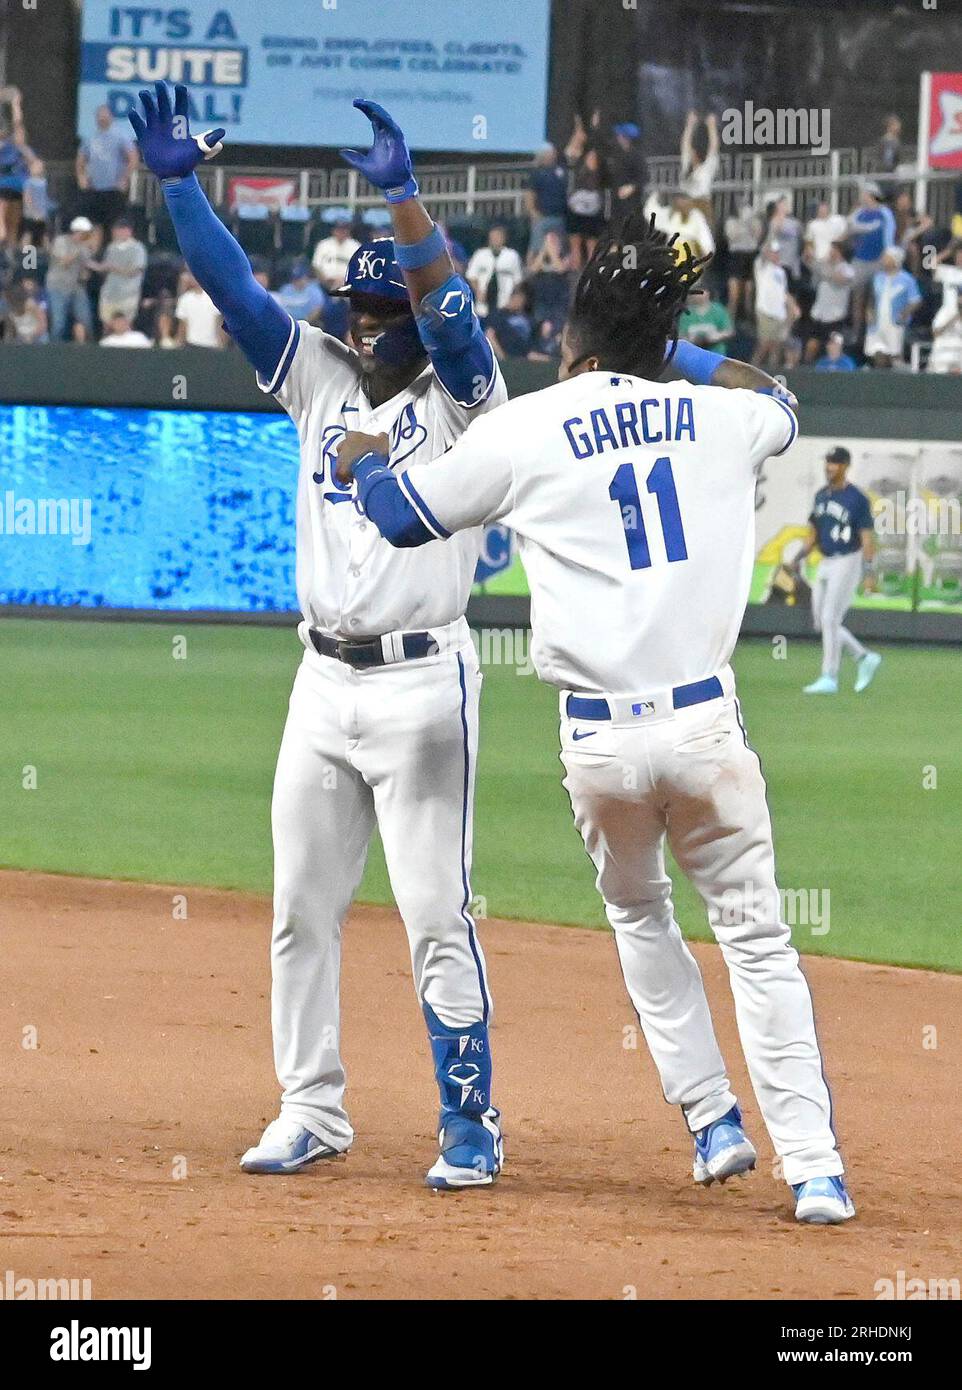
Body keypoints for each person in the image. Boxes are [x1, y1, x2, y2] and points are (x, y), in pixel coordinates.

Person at [336, 213, 856, 1227]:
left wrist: (359, 460)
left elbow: (400, 515)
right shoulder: (717, 415)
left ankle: (710, 1118)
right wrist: (675, 350)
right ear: (660, 344)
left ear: (572, 342)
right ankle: (817, 1170)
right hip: (708, 731)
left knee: (637, 911)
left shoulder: (527, 425)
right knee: (756, 943)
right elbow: (776, 395)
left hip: (601, 745)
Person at [129, 82, 508, 1188]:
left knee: (435, 912)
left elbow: (452, 318)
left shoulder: (464, 398)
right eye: (355, 307)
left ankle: (469, 1122)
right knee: (300, 911)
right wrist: (179, 187)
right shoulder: (317, 377)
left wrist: (404, 200)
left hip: (422, 682)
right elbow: (235, 289)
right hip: (321, 682)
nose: (362, 323)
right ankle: (310, 1107)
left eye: (380, 312)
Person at [792, 446, 881, 695]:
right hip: (826, 560)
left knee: (831, 618)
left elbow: (866, 538)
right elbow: (813, 535)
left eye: (835, 463)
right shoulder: (821, 496)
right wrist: (797, 558)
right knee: (822, 622)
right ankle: (863, 656)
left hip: (847, 560)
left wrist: (870, 571)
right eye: (828, 462)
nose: (829, 467)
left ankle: (829, 677)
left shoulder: (857, 499)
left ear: (845, 466)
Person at [76, 103, 137, 240]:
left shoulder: (121, 136)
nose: (102, 118)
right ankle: (96, 255)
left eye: (104, 115)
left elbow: (133, 158)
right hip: (95, 188)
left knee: (115, 222)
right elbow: (80, 160)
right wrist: (81, 177)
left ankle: (115, 252)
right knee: (95, 223)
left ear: (111, 116)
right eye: (99, 115)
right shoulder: (90, 138)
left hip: (114, 189)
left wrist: (124, 178)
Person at [846, 182, 896, 335]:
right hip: (861, 260)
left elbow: (889, 234)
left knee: (874, 298)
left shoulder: (884, 213)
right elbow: (850, 227)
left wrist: (887, 252)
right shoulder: (859, 213)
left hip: (877, 261)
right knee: (857, 297)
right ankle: (856, 331)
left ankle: (873, 331)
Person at [864, 246, 921, 368]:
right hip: (877, 323)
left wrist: (905, 313)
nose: (883, 260)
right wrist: (869, 311)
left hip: (895, 323)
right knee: (877, 352)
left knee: (894, 354)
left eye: (886, 257)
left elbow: (916, 300)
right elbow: (872, 297)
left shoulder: (907, 279)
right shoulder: (877, 278)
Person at [564, 112, 607, 269]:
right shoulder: (574, 159)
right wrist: (578, 128)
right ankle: (577, 272)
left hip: (590, 204)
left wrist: (594, 129)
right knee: (576, 243)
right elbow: (574, 145)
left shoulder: (593, 158)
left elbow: (595, 147)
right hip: (577, 204)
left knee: (590, 243)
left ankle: (591, 272)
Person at [89, 217, 147, 331]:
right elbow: (105, 268)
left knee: (126, 327)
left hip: (128, 295)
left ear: (128, 231)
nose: (118, 232)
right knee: (107, 326)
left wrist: (113, 268)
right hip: (109, 294)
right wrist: (93, 265)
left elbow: (135, 271)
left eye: (121, 229)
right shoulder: (111, 247)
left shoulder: (137, 248)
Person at [45, 215, 95, 342]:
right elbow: (63, 262)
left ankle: (86, 348)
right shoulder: (61, 241)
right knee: (59, 323)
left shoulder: (84, 247)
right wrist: (79, 249)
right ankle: (54, 351)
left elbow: (87, 267)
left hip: (75, 286)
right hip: (57, 286)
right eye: (85, 233)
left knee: (85, 319)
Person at [753, 241, 800, 372]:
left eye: (777, 252)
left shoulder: (781, 272)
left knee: (776, 347)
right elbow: (762, 254)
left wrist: (792, 306)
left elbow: (782, 292)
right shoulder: (761, 266)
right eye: (773, 252)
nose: (775, 255)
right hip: (765, 311)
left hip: (779, 313)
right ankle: (752, 372)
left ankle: (772, 375)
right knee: (764, 344)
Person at [803, 241, 854, 362]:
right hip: (819, 314)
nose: (830, 253)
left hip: (835, 317)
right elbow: (808, 261)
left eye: (833, 250)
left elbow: (840, 279)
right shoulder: (824, 266)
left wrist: (825, 270)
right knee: (812, 345)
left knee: (834, 348)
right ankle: (806, 368)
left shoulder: (847, 269)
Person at [465, 223, 524, 319]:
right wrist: (478, 291)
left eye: (497, 236)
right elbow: (471, 275)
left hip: (504, 305)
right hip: (482, 306)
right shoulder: (480, 254)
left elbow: (518, 280)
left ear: (504, 238)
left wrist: (514, 298)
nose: (494, 239)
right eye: (492, 237)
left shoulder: (512, 256)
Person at [0, 89, 32, 248]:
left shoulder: (18, 146)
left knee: (26, 234)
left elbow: (18, 124)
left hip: (20, 189)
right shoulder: (6, 147)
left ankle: (28, 268)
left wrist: (15, 105)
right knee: (7, 225)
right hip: (5, 186)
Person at [524, 142, 568, 256]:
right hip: (542, 217)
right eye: (548, 153)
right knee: (537, 247)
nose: (551, 155)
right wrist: (533, 212)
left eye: (552, 153)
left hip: (559, 216)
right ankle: (533, 269)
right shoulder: (536, 173)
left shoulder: (560, 170)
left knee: (558, 248)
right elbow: (530, 194)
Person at [724, 198, 762, 322]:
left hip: (750, 255)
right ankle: (730, 319)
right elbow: (732, 236)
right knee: (734, 292)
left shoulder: (754, 221)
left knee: (749, 290)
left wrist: (750, 222)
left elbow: (758, 235)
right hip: (736, 254)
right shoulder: (731, 221)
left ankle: (748, 316)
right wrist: (742, 224)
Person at [679, 110, 720, 219]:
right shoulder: (687, 167)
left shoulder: (706, 169)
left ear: (697, 154)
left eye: (692, 151)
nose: (690, 151)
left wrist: (711, 126)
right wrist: (690, 125)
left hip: (702, 205)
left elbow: (713, 148)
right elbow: (685, 145)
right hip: (687, 205)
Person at [311, 211, 360, 290]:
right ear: (333, 230)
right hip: (325, 284)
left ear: (348, 231)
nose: (341, 232)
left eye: (344, 229)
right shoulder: (323, 244)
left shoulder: (356, 246)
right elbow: (316, 267)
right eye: (339, 229)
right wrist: (325, 281)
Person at [608, 122, 646, 221]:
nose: (618, 137)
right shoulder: (616, 154)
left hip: (632, 204)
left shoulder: (636, 156)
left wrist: (632, 187)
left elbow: (644, 176)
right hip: (617, 204)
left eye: (620, 135)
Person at [273, 260, 329, 327]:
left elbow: (318, 309)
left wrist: (305, 323)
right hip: (287, 324)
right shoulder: (285, 289)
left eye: (299, 279)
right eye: (294, 279)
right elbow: (280, 307)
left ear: (305, 277)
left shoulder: (314, 290)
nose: (297, 282)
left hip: (307, 325)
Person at [678, 287, 733, 353]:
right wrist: (691, 340)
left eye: (702, 292)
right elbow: (681, 334)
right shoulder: (687, 313)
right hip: (693, 352)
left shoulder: (718, 310)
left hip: (716, 352)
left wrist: (715, 337)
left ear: (708, 293)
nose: (699, 296)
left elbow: (728, 331)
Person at [175, 270, 223, 347]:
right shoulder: (184, 299)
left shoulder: (214, 298)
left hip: (212, 346)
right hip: (191, 346)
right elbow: (182, 326)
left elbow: (219, 323)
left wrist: (220, 344)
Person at [928, 280, 962, 374]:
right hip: (943, 350)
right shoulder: (946, 311)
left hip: (959, 352)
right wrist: (954, 318)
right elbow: (935, 333)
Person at [804, 200, 847, 265]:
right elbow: (809, 241)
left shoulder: (838, 219)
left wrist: (836, 250)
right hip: (818, 259)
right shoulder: (812, 224)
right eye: (820, 209)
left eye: (824, 209)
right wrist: (810, 252)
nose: (822, 211)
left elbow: (845, 236)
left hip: (835, 258)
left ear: (828, 209)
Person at [21, 154, 50, 248]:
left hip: (43, 214)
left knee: (45, 234)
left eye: (41, 166)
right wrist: (34, 212)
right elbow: (27, 198)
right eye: (36, 166)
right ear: (30, 168)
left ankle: (48, 255)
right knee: (28, 234)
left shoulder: (45, 182)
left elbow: (46, 198)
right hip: (31, 214)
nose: (39, 168)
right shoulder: (28, 182)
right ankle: (25, 258)